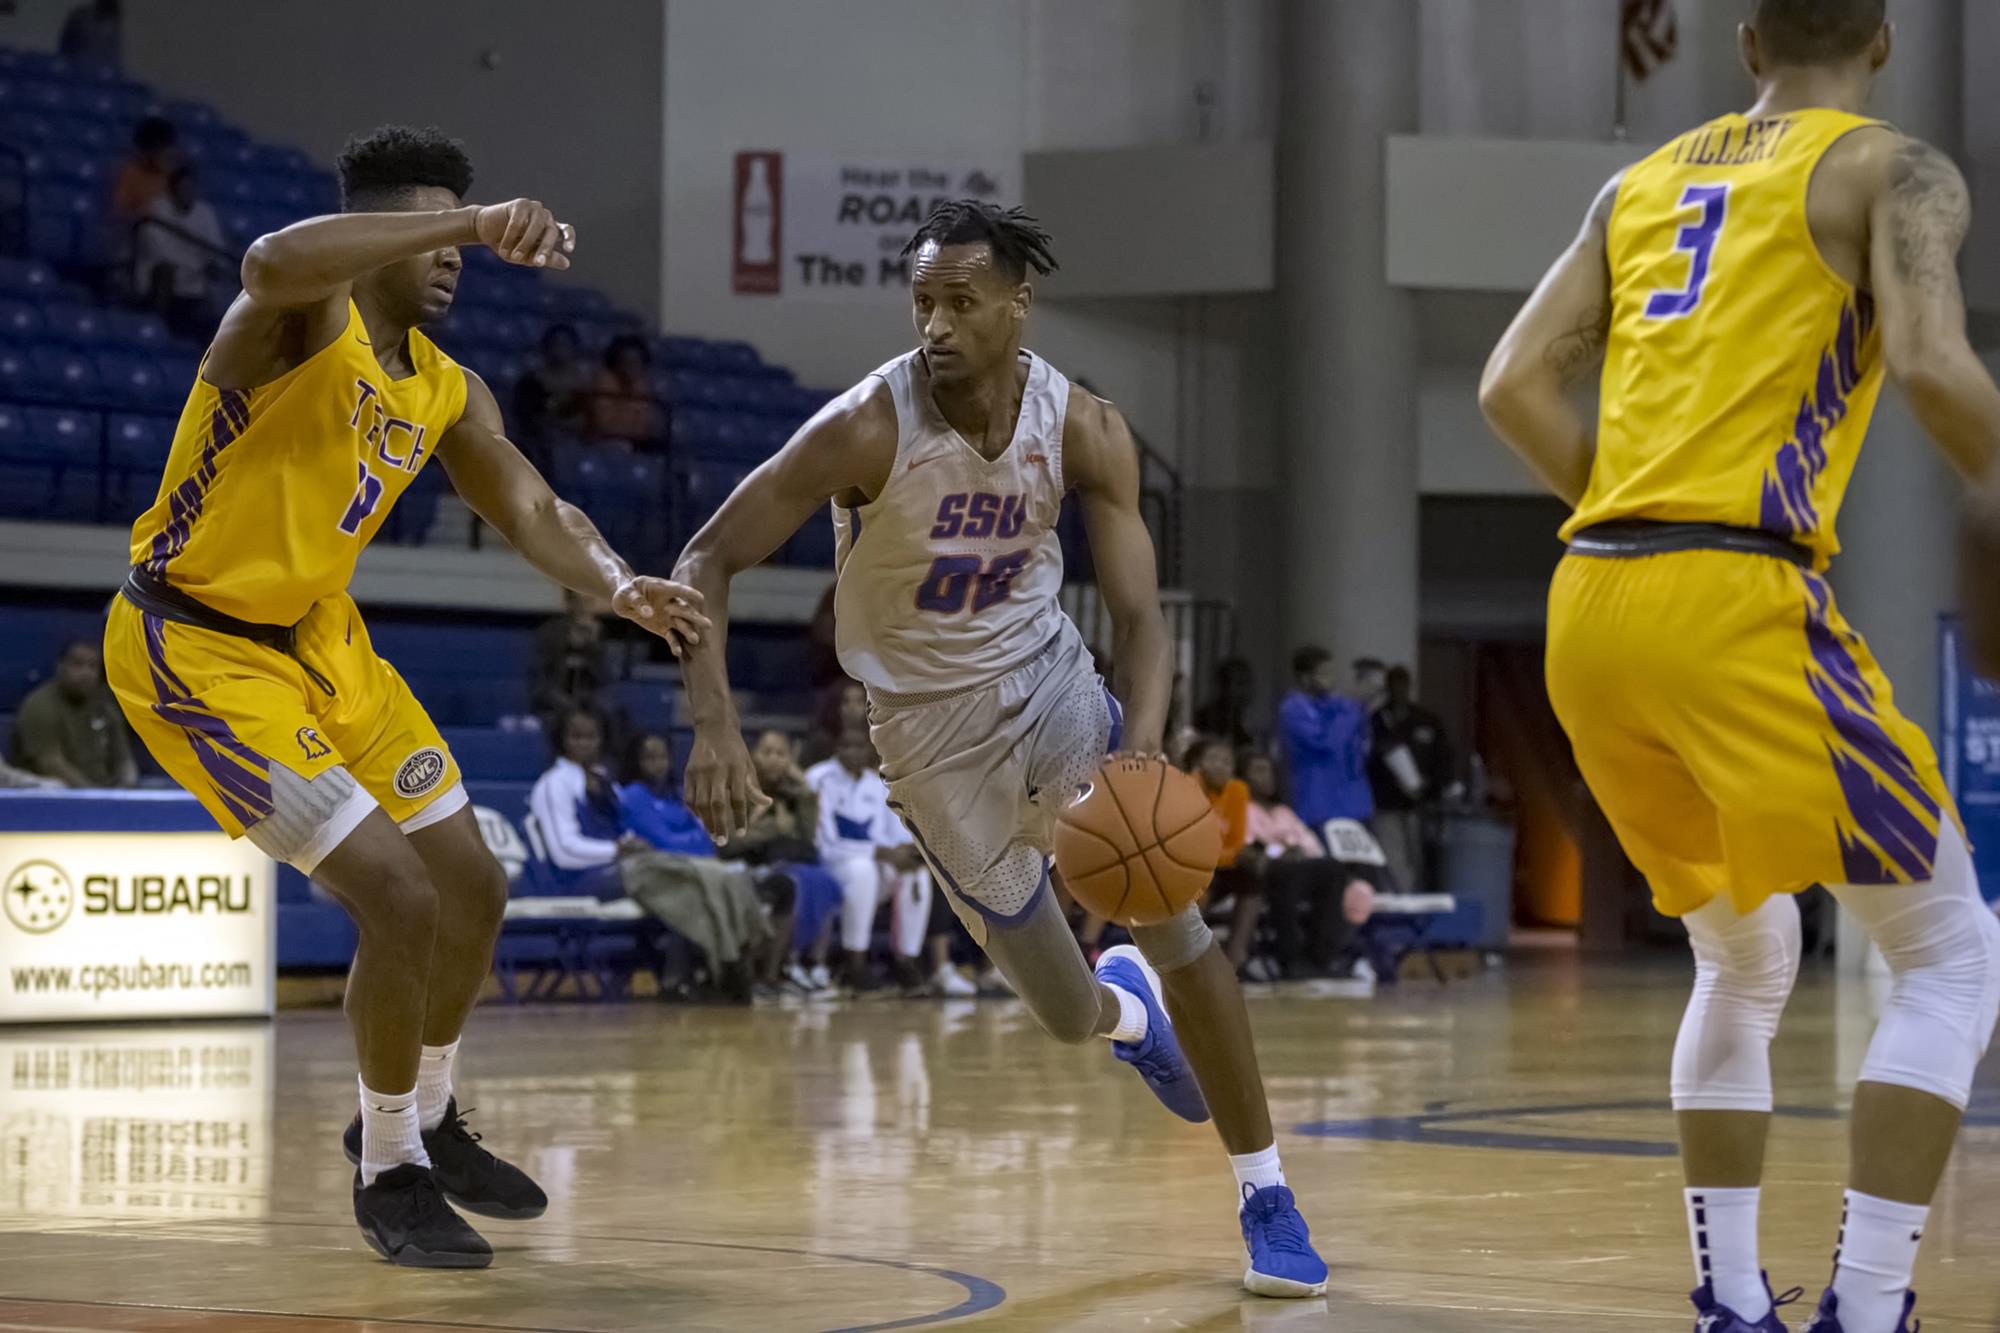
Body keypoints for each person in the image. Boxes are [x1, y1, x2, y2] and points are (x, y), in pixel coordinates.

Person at [673, 199, 1325, 1296]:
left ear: (1018, 304)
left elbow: (1144, 619)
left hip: (1048, 688)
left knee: (1169, 907)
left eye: (961, 301)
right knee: (1068, 1017)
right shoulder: (863, 428)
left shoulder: (1084, 428)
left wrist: (1145, 758)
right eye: (922, 299)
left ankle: (1265, 1192)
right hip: (925, 740)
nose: (935, 321)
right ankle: (1123, 1013)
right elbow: (705, 556)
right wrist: (713, 721)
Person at [98, 125, 708, 1269]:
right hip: (198, 648)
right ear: (378, 236)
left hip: (327, 643)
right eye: (429, 234)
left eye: (460, 241)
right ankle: (389, 1167)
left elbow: (533, 513)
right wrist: (472, 216)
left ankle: (427, 1110)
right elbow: (273, 257)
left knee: (471, 882)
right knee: (396, 892)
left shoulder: (444, 385)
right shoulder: (295, 320)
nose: (453, 260)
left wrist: (620, 583)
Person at [1479, 4, 2000, 1329]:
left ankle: (1727, 1298)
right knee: (1948, 955)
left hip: (1591, 601)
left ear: (1745, 38)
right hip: (1735, 591)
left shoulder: (1636, 183)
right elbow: (1936, 366)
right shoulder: (1897, 166)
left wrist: (1636, 506)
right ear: (1883, 38)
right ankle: (1871, 1305)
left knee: (1745, 956)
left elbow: (1510, 386)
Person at [616, 730, 776, 1002]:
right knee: (702, 886)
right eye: (649, 758)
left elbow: (706, 840)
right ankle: (713, 970)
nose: (657, 764)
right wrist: (688, 840)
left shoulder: (679, 794)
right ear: (636, 761)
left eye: (662, 757)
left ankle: (729, 969)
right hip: (652, 869)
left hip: (692, 865)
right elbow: (661, 842)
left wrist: (687, 840)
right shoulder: (632, 796)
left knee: (728, 880)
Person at [805, 724, 934, 994]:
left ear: (869, 750)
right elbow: (824, 844)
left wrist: (907, 852)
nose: (852, 752)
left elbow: (893, 837)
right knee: (863, 871)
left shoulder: (876, 785)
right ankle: (856, 964)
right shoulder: (819, 778)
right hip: (832, 866)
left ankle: (906, 963)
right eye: (846, 746)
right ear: (835, 749)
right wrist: (878, 852)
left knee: (915, 872)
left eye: (859, 746)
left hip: (872, 867)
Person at [734, 729, 842, 992]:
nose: (773, 760)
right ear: (752, 756)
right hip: (748, 864)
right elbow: (729, 843)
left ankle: (810, 964)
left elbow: (807, 838)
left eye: (781, 754)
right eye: (766, 752)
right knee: (793, 882)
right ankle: (776, 967)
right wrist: (771, 826)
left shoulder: (794, 794)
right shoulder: (738, 790)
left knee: (825, 880)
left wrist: (804, 790)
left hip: (790, 861)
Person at [1243, 751, 1365, 979]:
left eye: (1269, 771)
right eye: (1258, 770)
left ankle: (1322, 958)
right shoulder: (1243, 809)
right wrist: (1280, 851)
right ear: (1243, 775)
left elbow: (1310, 844)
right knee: (1286, 873)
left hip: (1301, 870)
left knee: (1333, 869)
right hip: (1266, 872)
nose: (1266, 777)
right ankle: (1291, 960)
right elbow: (1250, 846)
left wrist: (1299, 853)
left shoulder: (1283, 812)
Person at [1368, 665, 1450, 894]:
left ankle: (1418, 898)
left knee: (1418, 856)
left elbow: (1442, 758)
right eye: (1394, 686)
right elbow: (1370, 759)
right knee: (1391, 855)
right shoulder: (1377, 721)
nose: (1399, 691)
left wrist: (1429, 786)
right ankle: (1396, 898)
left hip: (1420, 803)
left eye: (1403, 685)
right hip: (1386, 803)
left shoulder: (1426, 720)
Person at [10, 639, 135, 788]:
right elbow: (50, 764)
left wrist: (125, 789)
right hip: (52, 798)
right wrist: (93, 798)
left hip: (103, 792)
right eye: (77, 664)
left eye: (92, 666)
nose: (85, 673)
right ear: (60, 666)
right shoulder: (39, 705)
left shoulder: (105, 705)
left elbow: (124, 761)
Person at [1187, 737, 1264, 976]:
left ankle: (1234, 962)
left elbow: (1237, 842)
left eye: (1227, 762)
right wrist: (1226, 855)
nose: (1221, 766)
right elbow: (1191, 845)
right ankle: (1190, 959)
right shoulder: (1188, 787)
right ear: (1200, 763)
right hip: (1190, 865)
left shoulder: (1238, 790)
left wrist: (1229, 856)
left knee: (1252, 879)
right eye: (1214, 759)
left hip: (1221, 862)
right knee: (1204, 879)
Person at [1278, 646, 1372, 836]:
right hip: (1318, 806)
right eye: (1323, 673)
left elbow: (1360, 743)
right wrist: (1353, 707)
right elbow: (1326, 743)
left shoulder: (1338, 704)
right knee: (1327, 864)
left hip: (1355, 804)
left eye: (1331, 672)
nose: (1331, 678)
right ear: (1305, 678)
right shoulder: (1293, 709)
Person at [135, 166, 231, 340]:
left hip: (197, 282)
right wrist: (193, 267)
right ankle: (158, 329)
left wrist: (206, 267)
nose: (187, 193)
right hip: (162, 282)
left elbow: (216, 250)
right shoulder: (157, 210)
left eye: (191, 188)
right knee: (165, 271)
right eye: (183, 188)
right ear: (173, 189)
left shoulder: (205, 212)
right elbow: (157, 251)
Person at [529, 588, 610, 727]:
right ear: (569, 603)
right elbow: (541, 678)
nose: (584, 609)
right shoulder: (550, 633)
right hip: (554, 698)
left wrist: (592, 645)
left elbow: (604, 678)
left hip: (588, 701)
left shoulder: (597, 634)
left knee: (610, 712)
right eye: (579, 603)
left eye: (588, 603)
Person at [587, 334, 665, 450]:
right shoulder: (603, 382)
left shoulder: (641, 385)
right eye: (626, 361)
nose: (632, 367)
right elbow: (604, 425)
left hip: (631, 441)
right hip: (601, 442)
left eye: (636, 362)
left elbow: (644, 426)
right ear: (616, 363)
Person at [514, 323, 591, 439]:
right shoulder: (530, 382)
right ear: (546, 348)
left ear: (575, 349)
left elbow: (586, 422)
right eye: (556, 344)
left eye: (565, 344)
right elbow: (528, 419)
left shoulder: (585, 386)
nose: (560, 349)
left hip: (575, 445)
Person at [111, 116, 177, 229]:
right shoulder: (130, 174)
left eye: (165, 147)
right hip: (142, 232)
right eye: (155, 148)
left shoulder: (177, 175)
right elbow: (118, 215)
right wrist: (145, 214)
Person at [1193, 657, 1255, 749]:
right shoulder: (1207, 718)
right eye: (1239, 683)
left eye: (1247, 683)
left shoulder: (1238, 719)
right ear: (1224, 685)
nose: (1245, 690)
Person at [58, 0, 120, 67]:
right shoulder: (79, 17)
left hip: (94, 69)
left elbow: (112, 54)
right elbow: (65, 46)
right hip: (76, 66)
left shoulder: (111, 26)